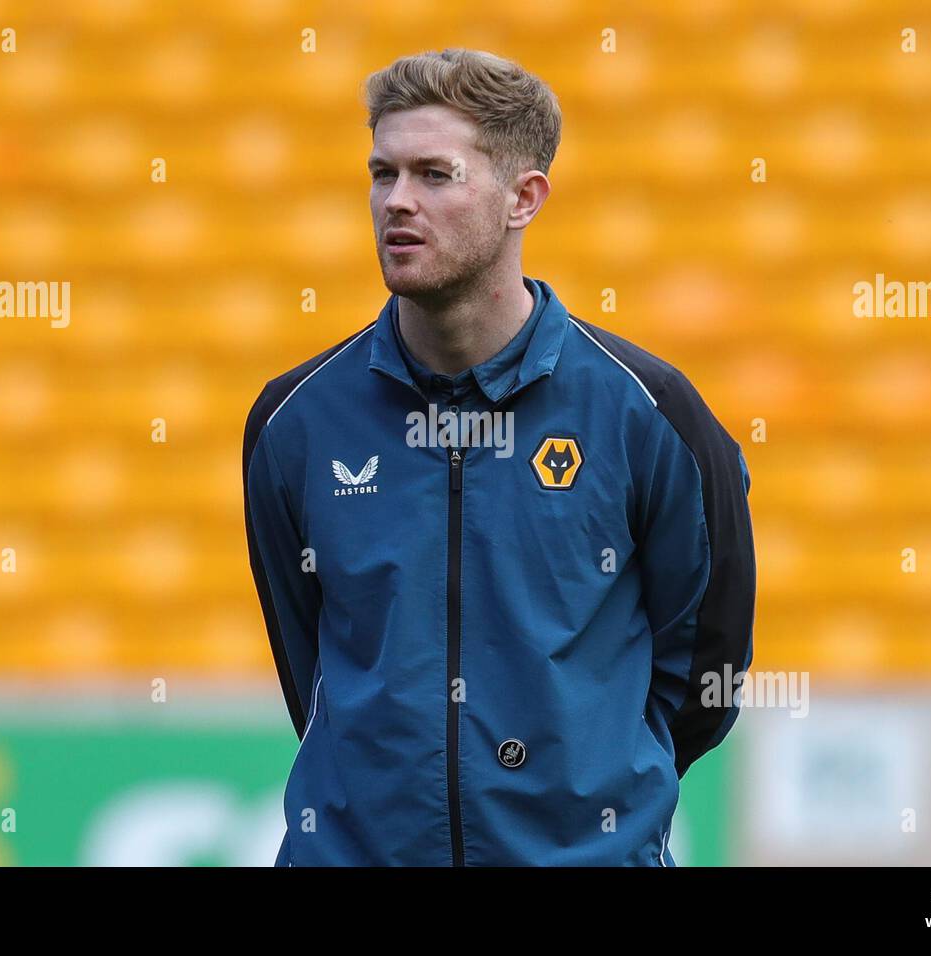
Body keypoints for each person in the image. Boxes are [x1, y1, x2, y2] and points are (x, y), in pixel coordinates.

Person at [243, 48, 755, 866]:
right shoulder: (296, 421)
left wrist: (585, 789)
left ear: (524, 197)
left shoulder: (648, 412)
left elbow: (705, 672)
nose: (396, 202)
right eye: (383, 173)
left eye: (435, 175)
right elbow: (311, 671)